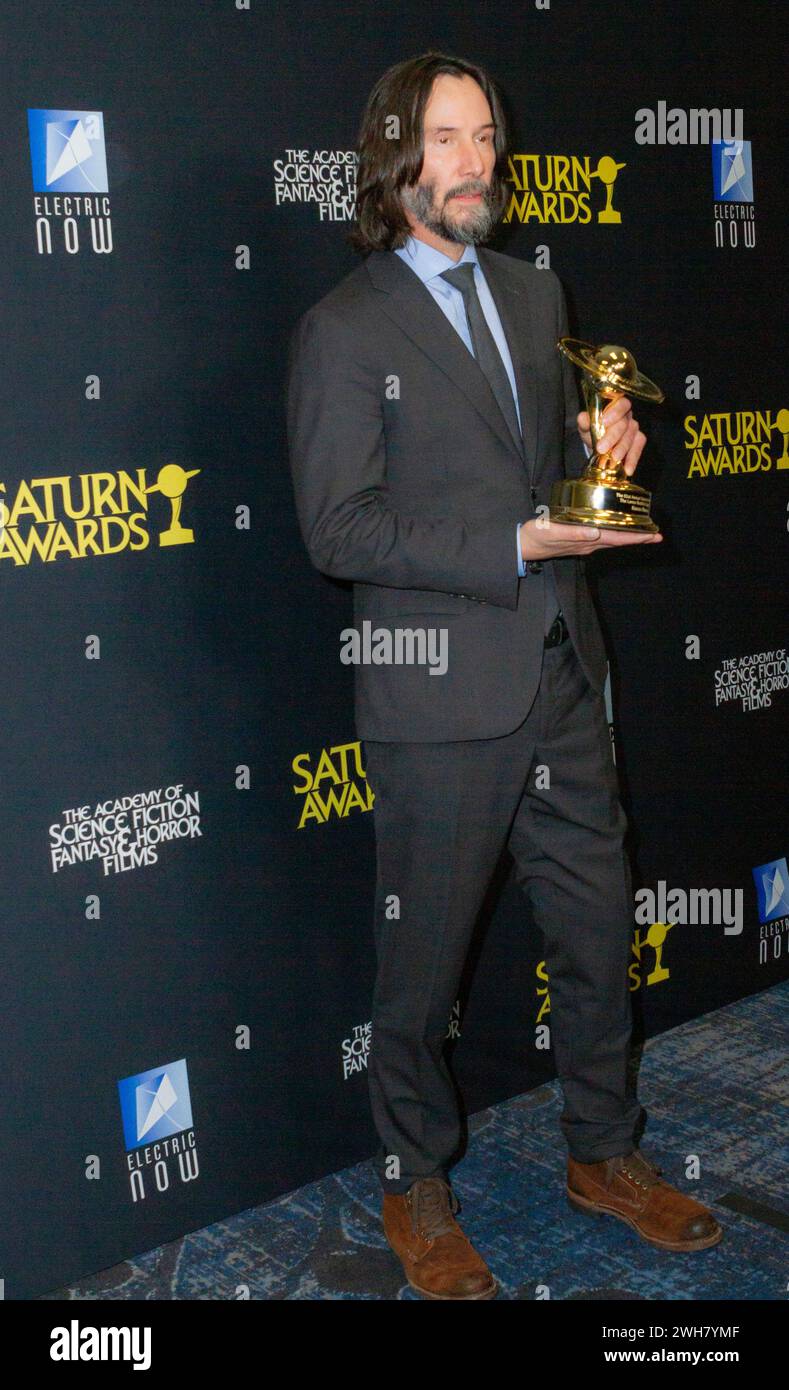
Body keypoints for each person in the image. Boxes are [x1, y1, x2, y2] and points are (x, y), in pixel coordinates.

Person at [286, 50, 722, 1300]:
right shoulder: (343, 328)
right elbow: (341, 530)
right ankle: (415, 1184)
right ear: (395, 157)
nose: (477, 162)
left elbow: (549, 465)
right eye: (449, 139)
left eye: (487, 137)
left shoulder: (538, 295)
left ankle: (605, 1152)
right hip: (437, 693)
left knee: (595, 931)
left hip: (563, 671)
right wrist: (514, 542)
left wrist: (606, 446)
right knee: (421, 968)